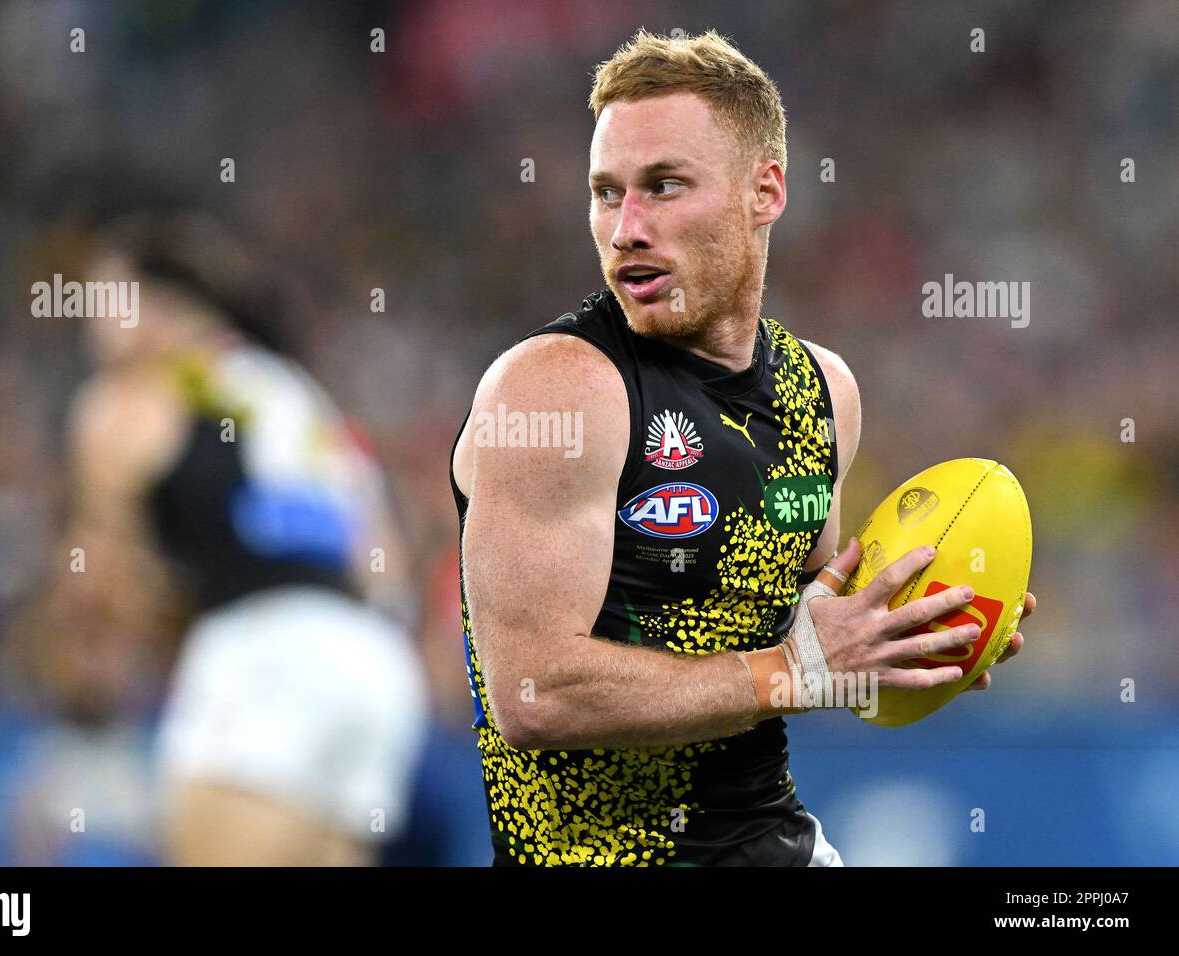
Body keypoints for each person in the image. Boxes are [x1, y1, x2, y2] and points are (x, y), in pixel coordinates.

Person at [449, 29, 1035, 866]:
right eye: (606, 193)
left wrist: (910, 635)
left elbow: (808, 630)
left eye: (663, 187)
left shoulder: (822, 390)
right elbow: (534, 694)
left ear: (765, 191)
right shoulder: (557, 389)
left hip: (778, 845)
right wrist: (797, 669)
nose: (626, 229)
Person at [65, 211, 426, 865]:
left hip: (264, 659)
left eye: (104, 301)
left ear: (157, 311)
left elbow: (104, 583)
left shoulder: (128, 396)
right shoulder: (296, 394)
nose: (91, 326)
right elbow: (388, 569)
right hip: (375, 673)